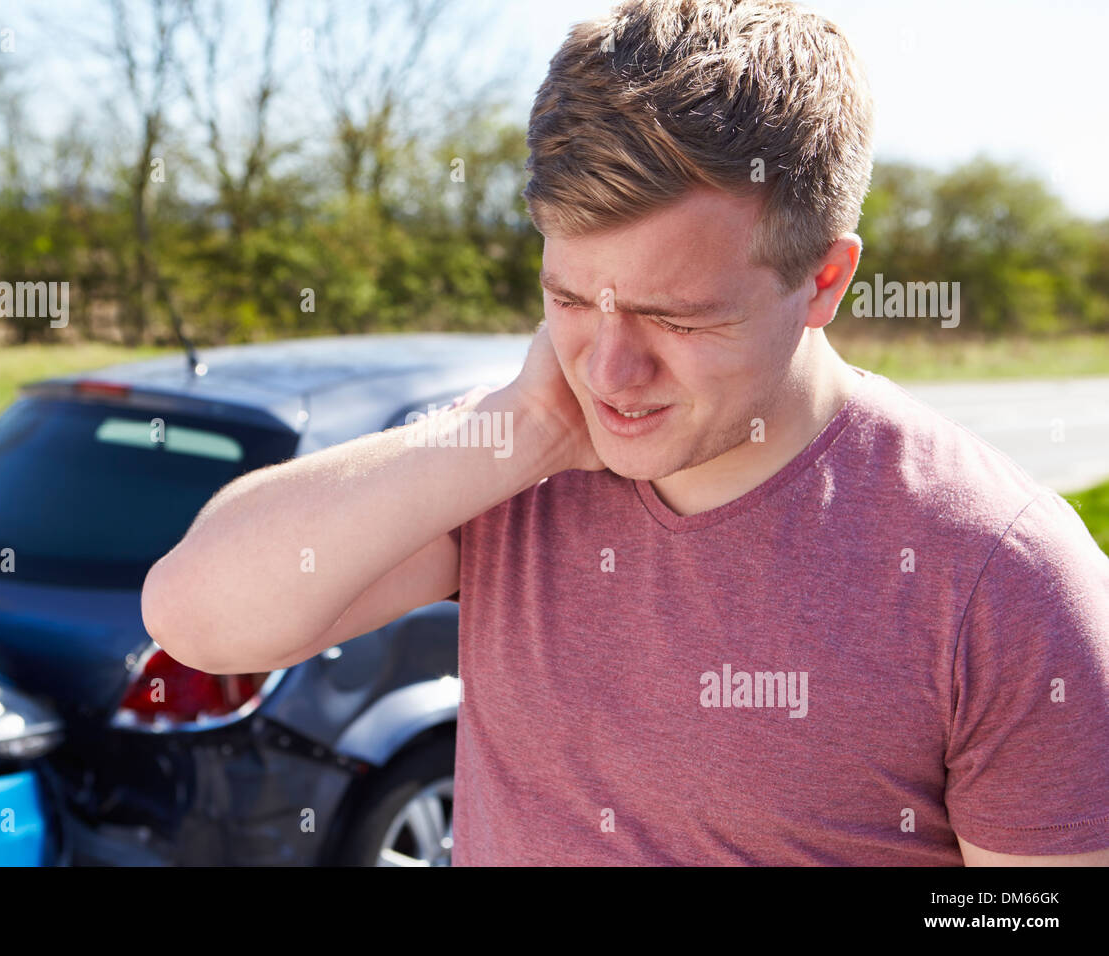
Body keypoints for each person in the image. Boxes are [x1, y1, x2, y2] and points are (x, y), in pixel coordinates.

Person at [141, 0, 1109, 865]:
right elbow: (194, 617)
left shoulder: (1003, 577)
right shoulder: (520, 464)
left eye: (677, 318)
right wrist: (517, 431)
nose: (607, 372)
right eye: (567, 298)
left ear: (822, 278)